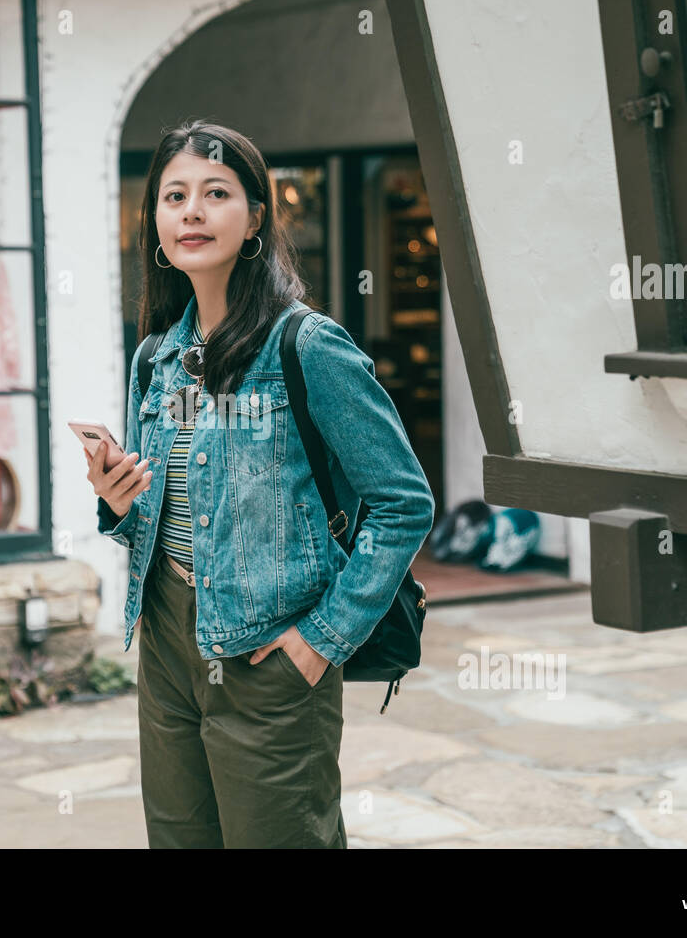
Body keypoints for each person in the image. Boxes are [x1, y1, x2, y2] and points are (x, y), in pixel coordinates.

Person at [84, 119, 436, 848]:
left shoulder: (305, 345)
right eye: (174, 196)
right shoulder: (157, 359)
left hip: (269, 655)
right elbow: (174, 502)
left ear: (253, 222)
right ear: (153, 223)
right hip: (167, 649)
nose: (192, 211)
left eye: (216, 193)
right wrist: (119, 506)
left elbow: (404, 503)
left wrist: (319, 643)